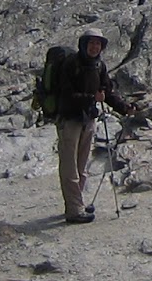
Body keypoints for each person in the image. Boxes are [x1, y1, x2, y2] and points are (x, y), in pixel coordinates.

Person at [56, 28, 133, 223]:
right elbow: (65, 95)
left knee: (81, 166)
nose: (94, 47)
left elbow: (107, 92)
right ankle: (74, 211)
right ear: (84, 44)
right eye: (91, 43)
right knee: (70, 167)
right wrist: (92, 98)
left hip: (87, 120)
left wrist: (126, 108)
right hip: (70, 119)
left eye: (98, 44)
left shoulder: (99, 66)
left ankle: (76, 205)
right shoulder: (70, 63)